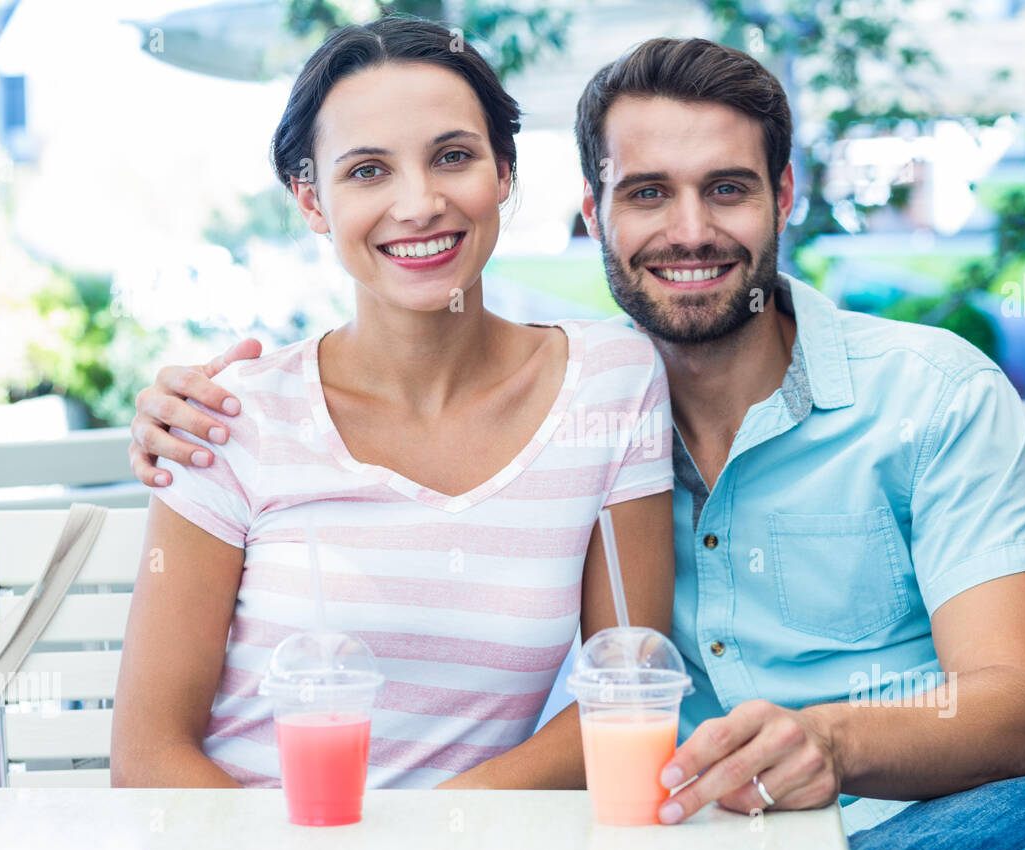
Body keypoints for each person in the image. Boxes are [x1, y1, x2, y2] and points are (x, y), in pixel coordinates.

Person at [128, 35, 1025, 850]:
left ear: (784, 196)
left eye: (728, 188)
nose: (689, 230)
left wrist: (827, 739)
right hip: (740, 838)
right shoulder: (602, 400)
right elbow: (608, 690)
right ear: (592, 212)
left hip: (1019, 807)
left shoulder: (925, 393)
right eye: (648, 193)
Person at [111, 17, 674, 791]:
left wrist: (425, 841)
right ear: (311, 201)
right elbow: (148, 758)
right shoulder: (227, 416)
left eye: (452, 157)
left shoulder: (612, 383)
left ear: (503, 173)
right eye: (367, 171)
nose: (419, 203)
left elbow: (627, 695)